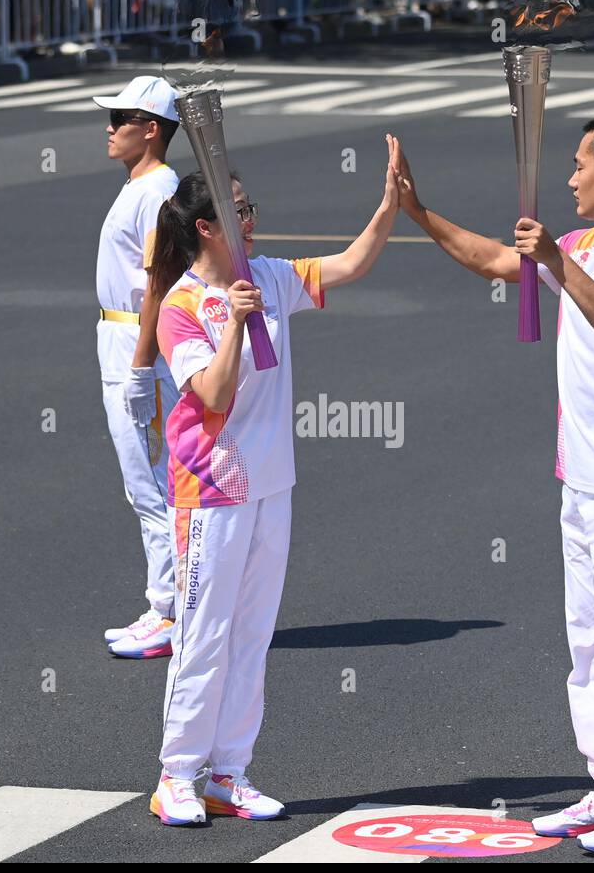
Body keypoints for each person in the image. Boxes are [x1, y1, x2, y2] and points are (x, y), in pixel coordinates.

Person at [390, 117, 594, 857]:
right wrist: (418, 211)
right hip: (581, 479)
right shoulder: (585, 250)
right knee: (588, 645)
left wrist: (555, 256)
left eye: (579, 166)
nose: (570, 179)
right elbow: (496, 260)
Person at [145, 139, 400, 826]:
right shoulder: (182, 305)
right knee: (204, 632)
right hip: (210, 492)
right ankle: (177, 774)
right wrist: (238, 322)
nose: (250, 219)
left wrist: (388, 207)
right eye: (239, 210)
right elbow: (214, 392)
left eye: (250, 207)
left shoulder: (272, 273)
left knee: (252, 633)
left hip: (271, 485)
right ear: (206, 227)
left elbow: (348, 263)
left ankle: (229, 771)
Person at [91, 75, 184, 660]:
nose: (108, 127)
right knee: (145, 480)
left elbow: (159, 281)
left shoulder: (158, 191)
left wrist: (143, 365)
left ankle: (168, 611)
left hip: (135, 341)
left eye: (120, 118)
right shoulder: (141, 184)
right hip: (119, 335)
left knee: (153, 482)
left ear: (151, 129)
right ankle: (172, 607)